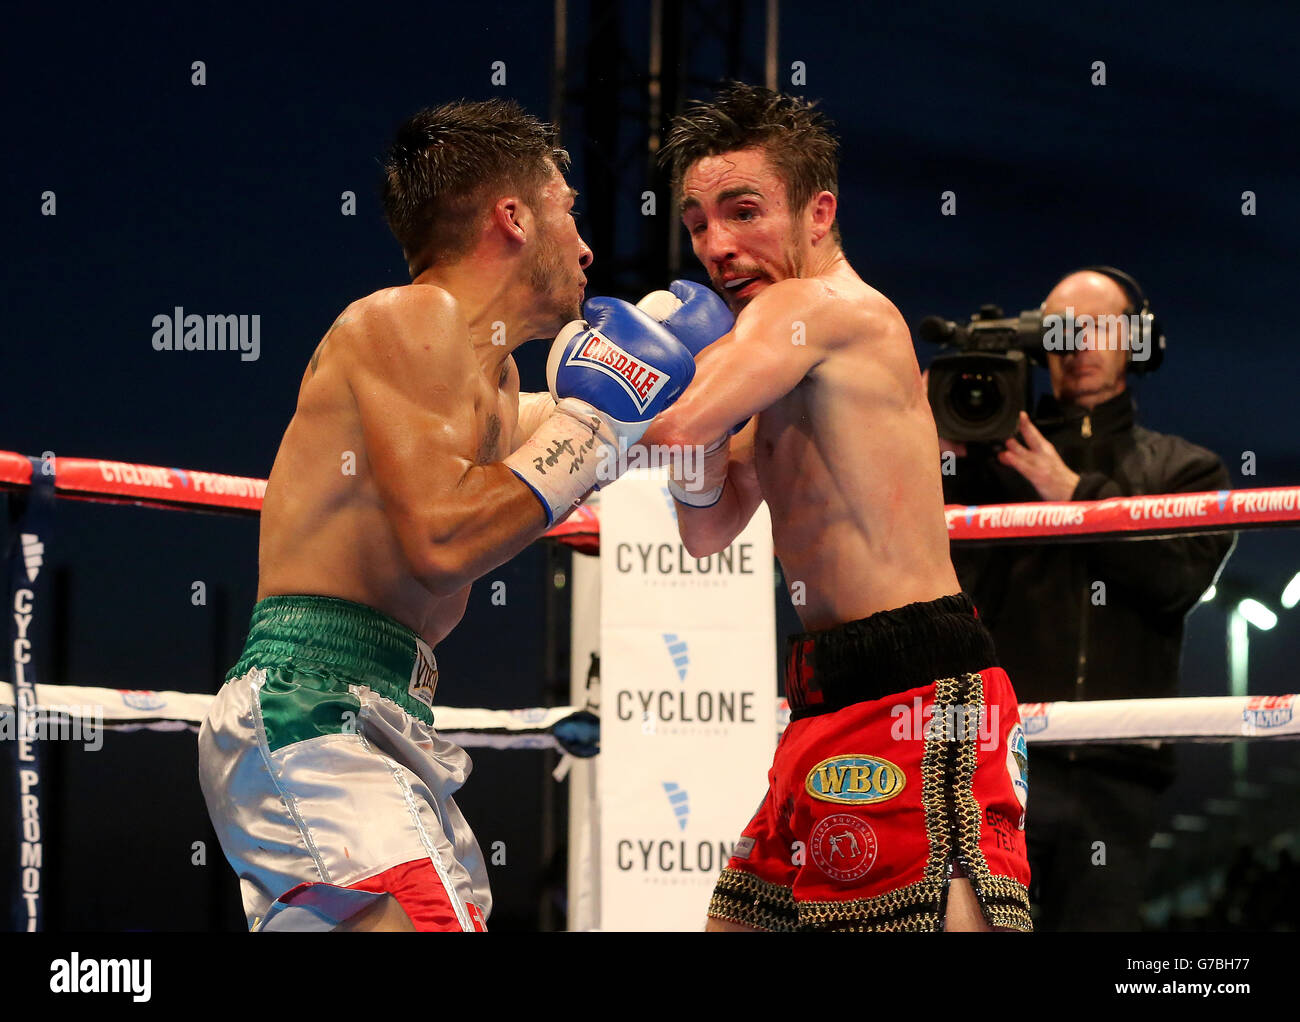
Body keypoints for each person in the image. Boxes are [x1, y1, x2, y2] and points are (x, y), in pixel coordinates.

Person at [198, 99, 694, 931]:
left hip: (387, 716)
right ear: (512, 217)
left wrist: (723, 357)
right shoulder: (406, 318)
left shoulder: (495, 387)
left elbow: (636, 437)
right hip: (311, 707)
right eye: (567, 211)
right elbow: (443, 539)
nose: (587, 247)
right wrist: (597, 421)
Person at [639, 82, 1032, 932]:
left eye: (744, 212)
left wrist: (592, 389)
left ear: (820, 213)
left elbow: (668, 421)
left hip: (914, 689)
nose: (717, 245)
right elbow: (706, 525)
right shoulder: (770, 355)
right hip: (822, 695)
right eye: (699, 221)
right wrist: (688, 404)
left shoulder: (816, 308)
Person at [939, 267, 1234, 931]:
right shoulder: (982, 465)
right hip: (996, 766)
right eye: (1060, 329)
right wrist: (935, 460)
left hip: (1117, 773)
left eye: (1096, 326)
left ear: (1139, 341)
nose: (1077, 343)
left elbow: (1175, 584)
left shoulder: (1186, 470)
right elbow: (924, 585)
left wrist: (1073, 494)